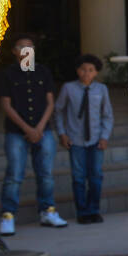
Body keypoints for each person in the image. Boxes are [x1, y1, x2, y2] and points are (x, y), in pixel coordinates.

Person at [0, 34, 68, 233]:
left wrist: (39, 128)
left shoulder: (43, 72)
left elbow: (50, 102)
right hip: (16, 132)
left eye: (30, 47)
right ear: (14, 51)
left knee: (46, 174)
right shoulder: (7, 74)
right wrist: (27, 129)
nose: (26, 51)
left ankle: (48, 211)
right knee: (14, 174)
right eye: (22, 47)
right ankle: (8, 215)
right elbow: (6, 104)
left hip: (43, 130)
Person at [54, 53, 114, 224]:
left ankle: (94, 209)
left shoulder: (102, 90)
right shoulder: (68, 88)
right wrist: (62, 133)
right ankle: (82, 211)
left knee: (95, 176)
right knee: (79, 177)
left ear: (96, 73)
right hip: (75, 139)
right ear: (77, 71)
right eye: (83, 69)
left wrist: (104, 136)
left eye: (90, 70)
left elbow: (107, 115)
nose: (86, 73)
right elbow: (58, 111)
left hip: (95, 139)